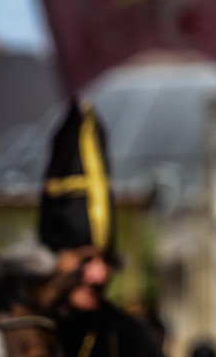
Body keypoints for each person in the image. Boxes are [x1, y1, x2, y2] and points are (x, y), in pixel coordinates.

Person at [39, 100, 164, 357]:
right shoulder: (19, 335)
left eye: (106, 259)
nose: (99, 275)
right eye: (84, 259)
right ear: (51, 260)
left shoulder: (133, 340)